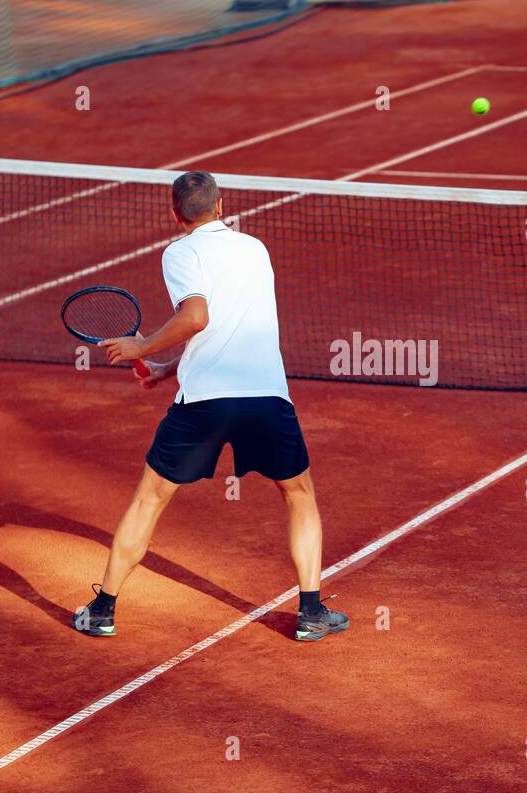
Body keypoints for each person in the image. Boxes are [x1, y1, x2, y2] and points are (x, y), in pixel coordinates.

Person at [72, 171, 348, 643]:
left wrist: (141, 350)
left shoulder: (179, 252)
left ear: (175, 214)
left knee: (149, 499)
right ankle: (310, 612)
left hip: (205, 405)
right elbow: (226, 329)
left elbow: (197, 316)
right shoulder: (254, 248)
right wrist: (168, 367)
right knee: (299, 495)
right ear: (221, 207)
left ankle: (102, 611)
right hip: (265, 397)